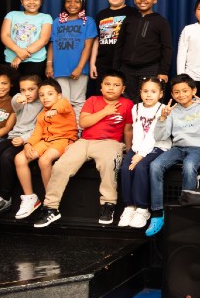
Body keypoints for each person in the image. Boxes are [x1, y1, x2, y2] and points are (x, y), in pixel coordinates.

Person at [33, 72, 133, 228]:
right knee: (60, 166)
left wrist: (130, 149)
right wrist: (105, 111)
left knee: (108, 164)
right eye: (107, 84)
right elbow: (84, 122)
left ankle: (108, 205)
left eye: (116, 85)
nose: (111, 88)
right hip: (85, 141)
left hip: (110, 142)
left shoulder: (127, 104)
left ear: (123, 88)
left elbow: (128, 129)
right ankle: (51, 208)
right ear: (100, 87)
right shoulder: (93, 100)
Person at [146, 75, 200, 236]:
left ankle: (186, 208)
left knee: (189, 165)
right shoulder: (172, 111)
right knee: (155, 166)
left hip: (199, 148)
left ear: (194, 90)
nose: (181, 95)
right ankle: (157, 213)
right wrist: (163, 118)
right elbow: (160, 137)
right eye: (176, 92)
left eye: (185, 90)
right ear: (172, 95)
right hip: (178, 148)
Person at [0, 74, 42, 220]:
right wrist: (19, 98)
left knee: (7, 157)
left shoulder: (43, 104)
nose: (27, 93)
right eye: (23, 89)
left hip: (29, 140)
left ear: (39, 89)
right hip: (13, 138)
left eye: (31, 89)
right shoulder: (19, 99)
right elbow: (16, 103)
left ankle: (5, 198)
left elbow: (40, 128)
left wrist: (24, 139)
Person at [13, 78, 78, 219]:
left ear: (58, 95)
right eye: (41, 95)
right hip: (46, 140)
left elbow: (62, 105)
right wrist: (28, 144)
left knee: (44, 160)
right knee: (20, 158)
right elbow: (37, 133)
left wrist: (54, 110)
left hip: (64, 140)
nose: (45, 98)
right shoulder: (42, 114)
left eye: (49, 94)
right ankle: (30, 197)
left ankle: (50, 201)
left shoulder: (63, 104)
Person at [118, 78, 171, 229]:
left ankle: (142, 209)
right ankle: (129, 207)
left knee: (141, 168)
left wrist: (141, 154)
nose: (149, 95)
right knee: (125, 168)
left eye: (153, 92)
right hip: (139, 146)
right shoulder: (136, 108)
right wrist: (136, 151)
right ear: (140, 93)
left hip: (158, 145)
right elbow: (138, 131)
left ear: (160, 94)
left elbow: (153, 135)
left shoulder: (162, 109)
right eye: (145, 91)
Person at [113, 0, 172, 102]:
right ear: (134, 0)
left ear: (154, 0)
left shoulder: (161, 21)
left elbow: (167, 48)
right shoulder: (129, 19)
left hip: (150, 69)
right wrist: (116, 69)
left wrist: (163, 71)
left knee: (149, 101)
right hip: (127, 70)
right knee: (128, 102)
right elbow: (120, 45)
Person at [46, 0, 96, 121]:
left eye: (76, 1)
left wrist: (80, 67)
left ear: (82, 4)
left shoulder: (88, 21)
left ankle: (78, 129)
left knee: (78, 101)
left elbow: (88, 46)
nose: (72, 4)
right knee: (63, 101)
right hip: (60, 68)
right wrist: (49, 65)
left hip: (79, 69)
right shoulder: (58, 21)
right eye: (68, 1)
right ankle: (66, 129)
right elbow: (52, 44)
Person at [91, 0, 137, 96]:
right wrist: (92, 63)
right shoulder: (101, 15)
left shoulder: (133, 13)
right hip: (103, 63)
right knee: (103, 95)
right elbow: (97, 40)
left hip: (124, 62)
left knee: (125, 95)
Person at [0, 0, 52, 78]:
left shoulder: (46, 17)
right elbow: (5, 36)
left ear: (41, 1)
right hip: (11, 60)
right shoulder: (12, 15)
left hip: (35, 61)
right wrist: (18, 50)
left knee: (31, 89)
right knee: (13, 89)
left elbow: (43, 40)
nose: (31, 2)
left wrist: (20, 57)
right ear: (21, 1)